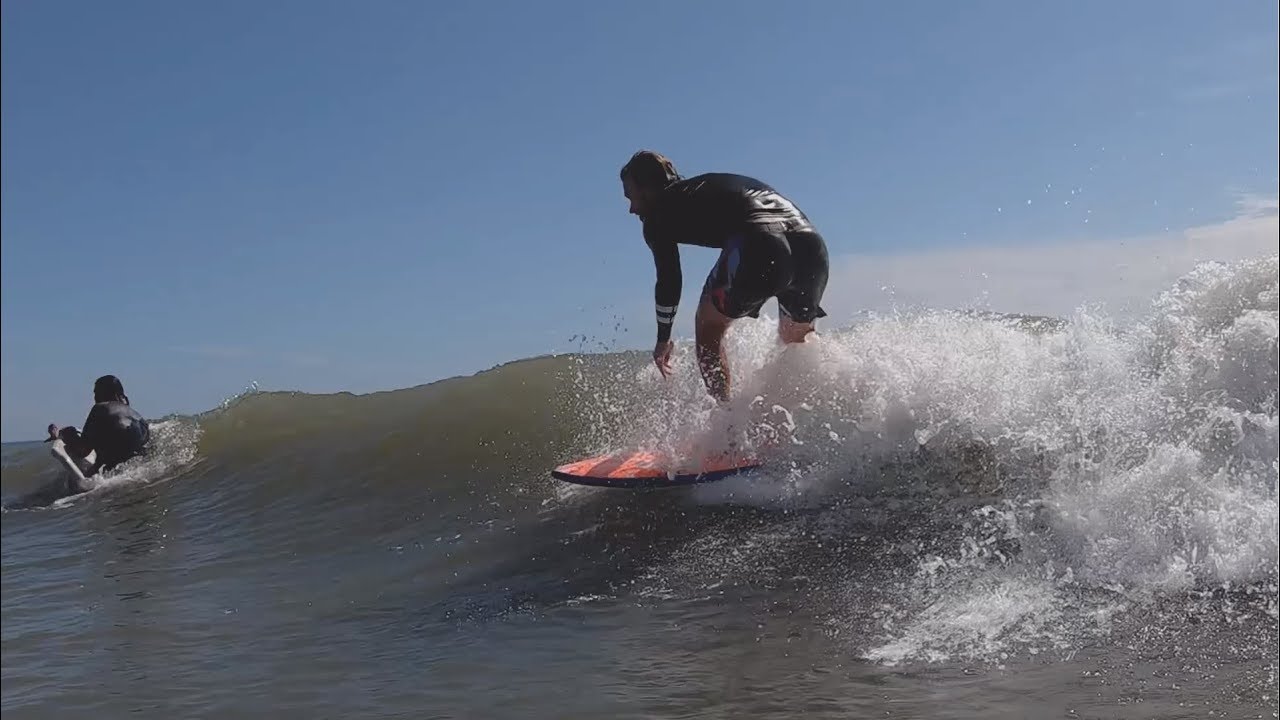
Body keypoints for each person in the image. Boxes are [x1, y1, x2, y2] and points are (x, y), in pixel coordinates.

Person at [620, 150, 830, 402]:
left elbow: (669, 279)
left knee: (708, 325)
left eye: (631, 197)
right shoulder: (702, 186)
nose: (632, 209)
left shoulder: (656, 217)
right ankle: (784, 424)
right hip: (811, 247)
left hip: (761, 242)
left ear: (648, 189)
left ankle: (727, 425)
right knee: (796, 343)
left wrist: (663, 339)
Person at [78, 374, 150, 477]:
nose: (94, 397)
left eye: (96, 393)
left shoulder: (100, 408)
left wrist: (67, 435)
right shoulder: (133, 413)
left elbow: (83, 451)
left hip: (119, 462)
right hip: (142, 460)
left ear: (103, 393)